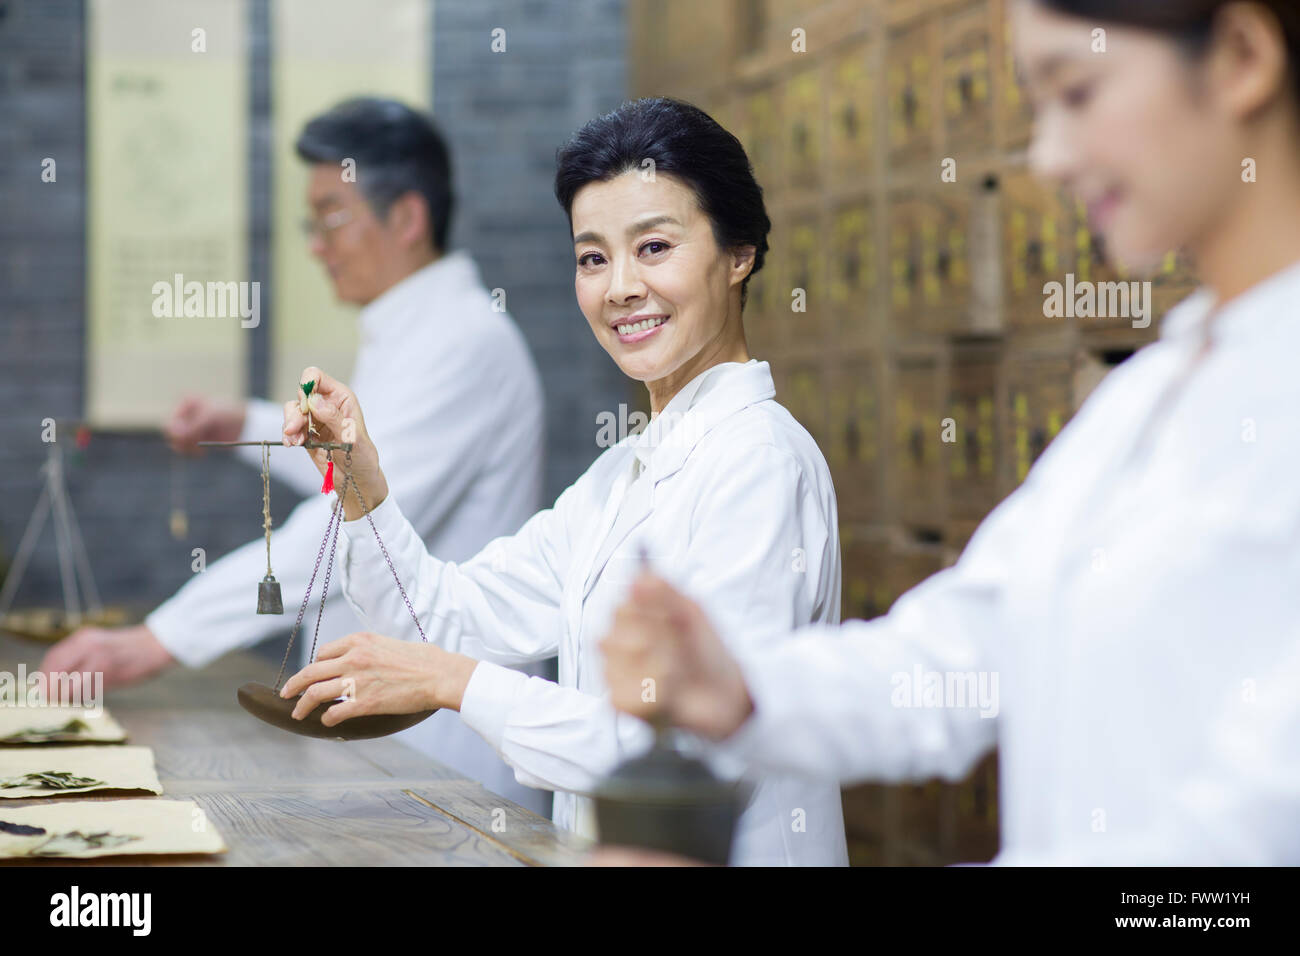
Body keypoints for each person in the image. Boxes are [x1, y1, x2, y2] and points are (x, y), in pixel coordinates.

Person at [599, 0, 1300, 865]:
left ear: (1239, 56)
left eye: (1076, 93)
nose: (1046, 156)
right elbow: (963, 652)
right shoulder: (1152, 392)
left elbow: (1240, 848)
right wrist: (741, 691)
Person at [277, 98, 851, 866]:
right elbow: (441, 618)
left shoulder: (760, 463)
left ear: (739, 252)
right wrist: (361, 485)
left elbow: (687, 748)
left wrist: (455, 682)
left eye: (653, 247)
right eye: (592, 257)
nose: (619, 288)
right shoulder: (621, 475)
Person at [40, 98, 553, 817]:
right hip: (390, 740)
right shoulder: (418, 332)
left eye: (331, 216)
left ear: (405, 218)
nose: (316, 244)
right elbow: (362, 474)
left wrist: (161, 638)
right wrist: (242, 421)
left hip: (442, 757)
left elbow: (346, 519)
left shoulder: (465, 343)